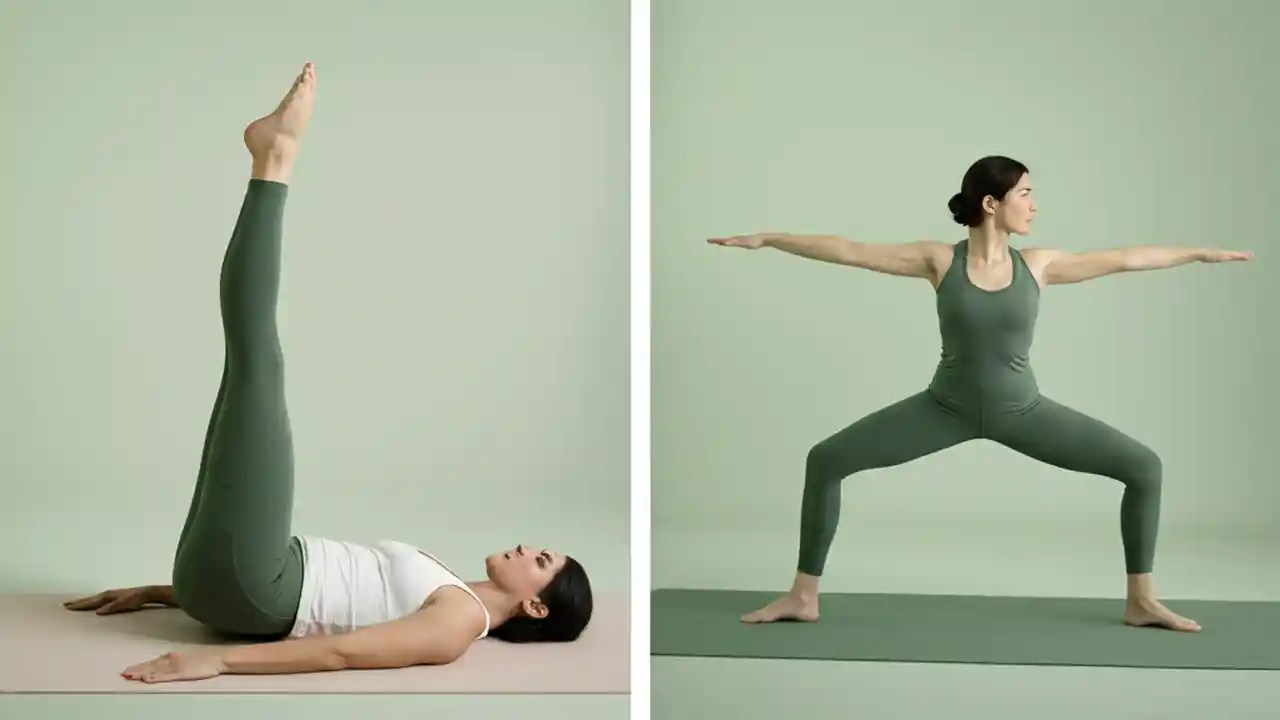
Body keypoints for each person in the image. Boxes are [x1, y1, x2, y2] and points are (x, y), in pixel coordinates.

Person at [63, 63, 593, 684]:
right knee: (246, 368)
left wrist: (217, 659)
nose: (530, 548)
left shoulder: (457, 624)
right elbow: (339, 611)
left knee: (257, 358)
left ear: (535, 604)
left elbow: (341, 651)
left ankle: (276, 156)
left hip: (254, 585)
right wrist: (166, 592)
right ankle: (273, 154)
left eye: (542, 560)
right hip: (238, 582)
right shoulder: (452, 587)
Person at [709, 154, 1252, 634]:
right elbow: (849, 250)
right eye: (1026, 194)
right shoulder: (938, 260)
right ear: (992, 203)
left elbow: (1126, 258)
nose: (1035, 205)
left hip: (1026, 413)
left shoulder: (1039, 265)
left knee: (1143, 467)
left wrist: (1199, 252)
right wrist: (770, 238)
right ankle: (803, 596)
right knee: (826, 459)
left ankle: (1142, 600)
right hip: (943, 410)